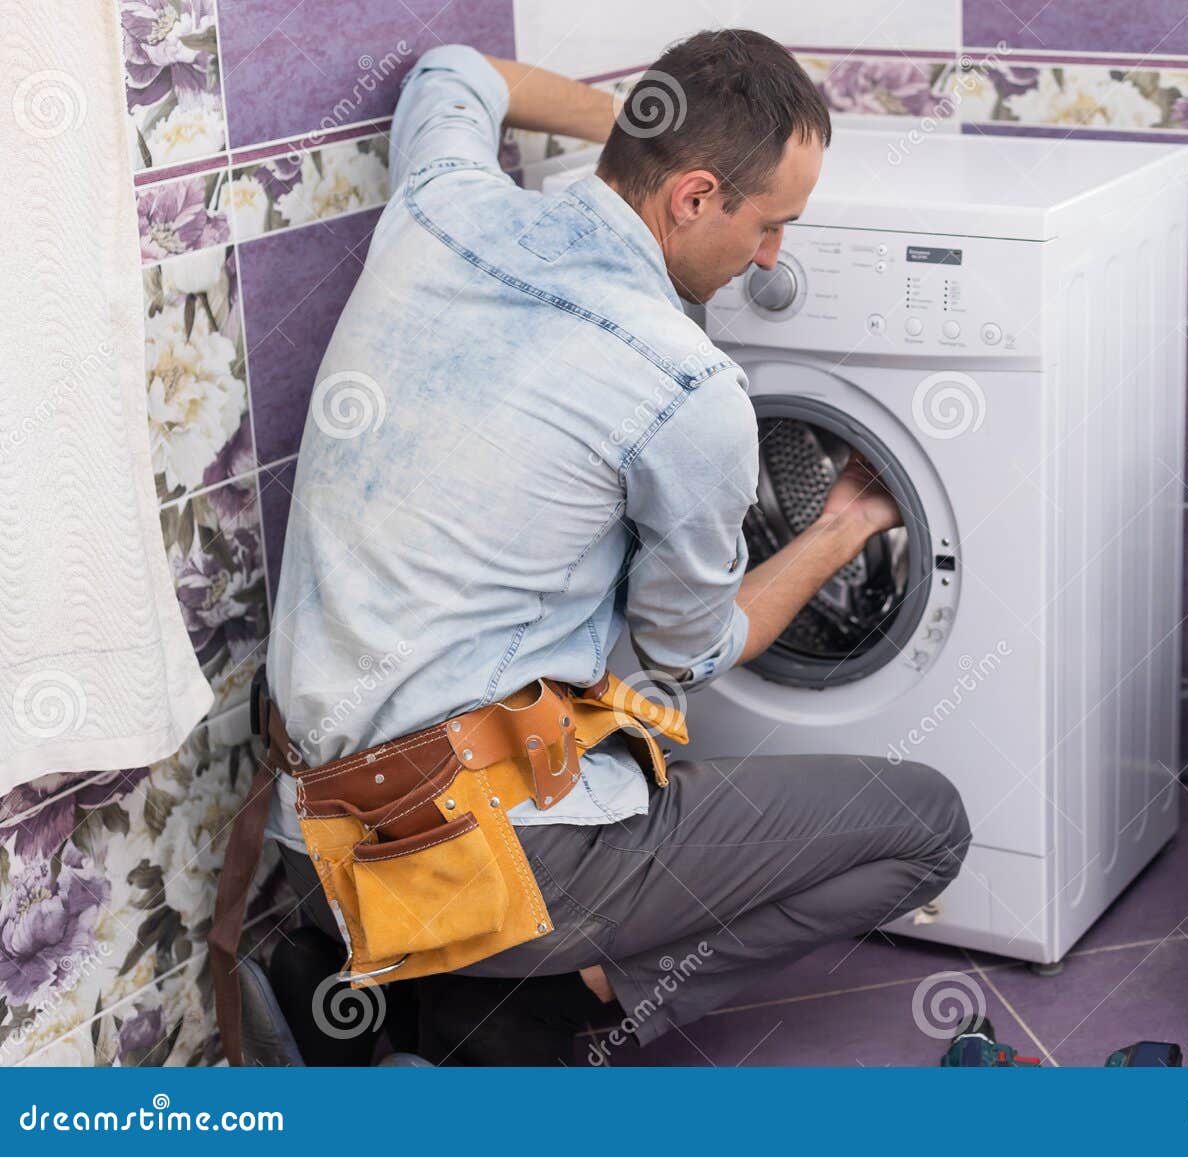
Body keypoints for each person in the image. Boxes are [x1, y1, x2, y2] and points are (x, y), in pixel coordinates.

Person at [264, 28, 970, 1064]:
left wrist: (632, 126)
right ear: (691, 197)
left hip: (309, 842)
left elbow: (453, 72)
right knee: (930, 824)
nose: (771, 254)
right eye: (768, 223)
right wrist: (845, 525)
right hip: (493, 861)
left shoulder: (439, 206)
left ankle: (457, 990)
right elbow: (692, 649)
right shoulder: (685, 383)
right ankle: (550, 1004)